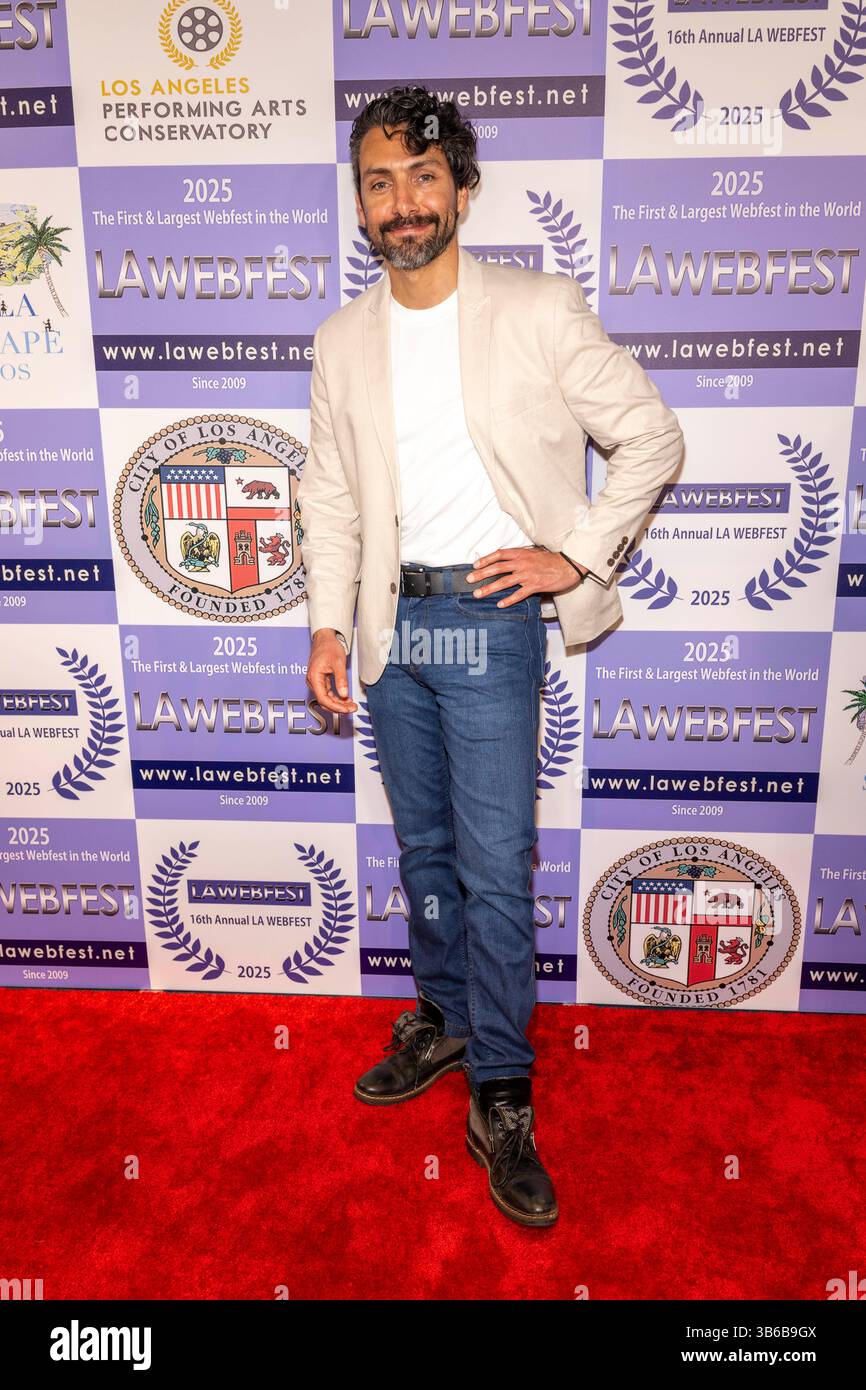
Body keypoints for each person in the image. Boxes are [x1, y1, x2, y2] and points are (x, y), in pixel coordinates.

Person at [296, 86, 685, 1228]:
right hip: (384, 629)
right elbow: (328, 493)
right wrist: (325, 620)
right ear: (361, 203)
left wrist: (573, 551)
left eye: (423, 177)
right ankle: (446, 1012)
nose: (402, 201)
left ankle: (502, 1090)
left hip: (487, 620)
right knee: (422, 853)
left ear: (459, 188)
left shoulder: (536, 306)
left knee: (493, 868)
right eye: (379, 181)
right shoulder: (339, 339)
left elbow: (650, 434)